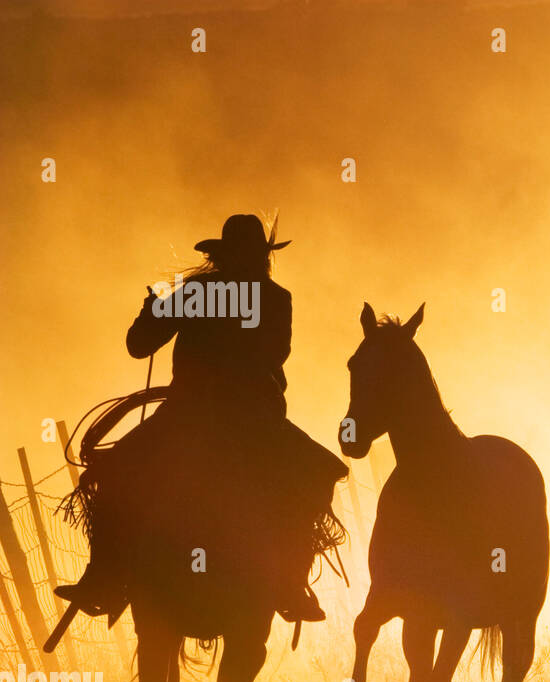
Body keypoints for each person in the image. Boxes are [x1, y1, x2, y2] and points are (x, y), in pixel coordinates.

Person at [57, 214, 346, 624]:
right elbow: (274, 355)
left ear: (222, 256)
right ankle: (289, 582)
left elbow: (139, 345)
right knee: (316, 475)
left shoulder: (198, 291)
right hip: (257, 424)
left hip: (188, 418)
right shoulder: (275, 296)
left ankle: (104, 576)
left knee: (118, 469)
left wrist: (154, 310)